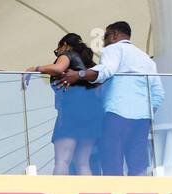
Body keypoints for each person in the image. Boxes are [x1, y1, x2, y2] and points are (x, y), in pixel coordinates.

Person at [62, 21, 164, 176]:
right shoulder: (146, 59)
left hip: (117, 114)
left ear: (115, 35)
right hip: (143, 119)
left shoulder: (114, 49)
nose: (104, 42)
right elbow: (159, 93)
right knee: (138, 163)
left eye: (106, 37)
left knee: (111, 159)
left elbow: (106, 70)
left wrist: (78, 74)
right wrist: (147, 113)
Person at [27, 33, 101, 175]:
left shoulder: (68, 54)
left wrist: (35, 68)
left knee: (62, 161)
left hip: (71, 112)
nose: (58, 52)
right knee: (83, 163)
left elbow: (59, 68)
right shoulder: (90, 64)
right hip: (92, 115)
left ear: (65, 45)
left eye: (58, 49)